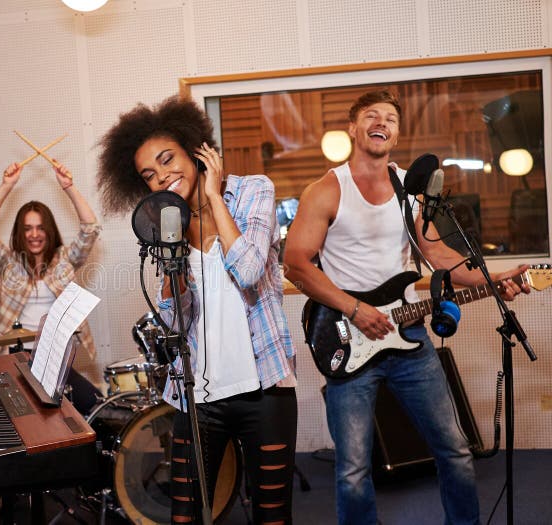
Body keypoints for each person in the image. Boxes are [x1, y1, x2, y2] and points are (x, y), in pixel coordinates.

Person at [283, 90, 531, 525]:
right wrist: (355, 309)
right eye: (372, 116)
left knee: (454, 449)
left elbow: (439, 257)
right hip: (347, 336)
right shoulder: (326, 190)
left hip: (408, 333)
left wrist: (494, 281)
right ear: (354, 129)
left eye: (391, 119)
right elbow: (296, 264)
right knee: (354, 470)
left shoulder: (409, 190)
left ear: (396, 135)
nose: (382, 123)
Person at [98, 95, 298, 524]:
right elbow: (175, 321)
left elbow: (247, 271)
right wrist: (171, 254)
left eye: (168, 160)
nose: (162, 177)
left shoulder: (253, 191)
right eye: (149, 175)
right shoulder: (165, 222)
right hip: (199, 395)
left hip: (264, 389)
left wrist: (213, 194)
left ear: (194, 150)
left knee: (272, 516)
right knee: (184, 516)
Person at [0, 159, 101, 413]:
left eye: (40, 228)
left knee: (91, 401)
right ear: (20, 232)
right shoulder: (9, 263)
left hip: (55, 354)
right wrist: (6, 185)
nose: (34, 234)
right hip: (17, 355)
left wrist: (69, 187)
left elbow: (91, 228)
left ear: (49, 230)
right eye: (28, 228)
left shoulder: (65, 260)